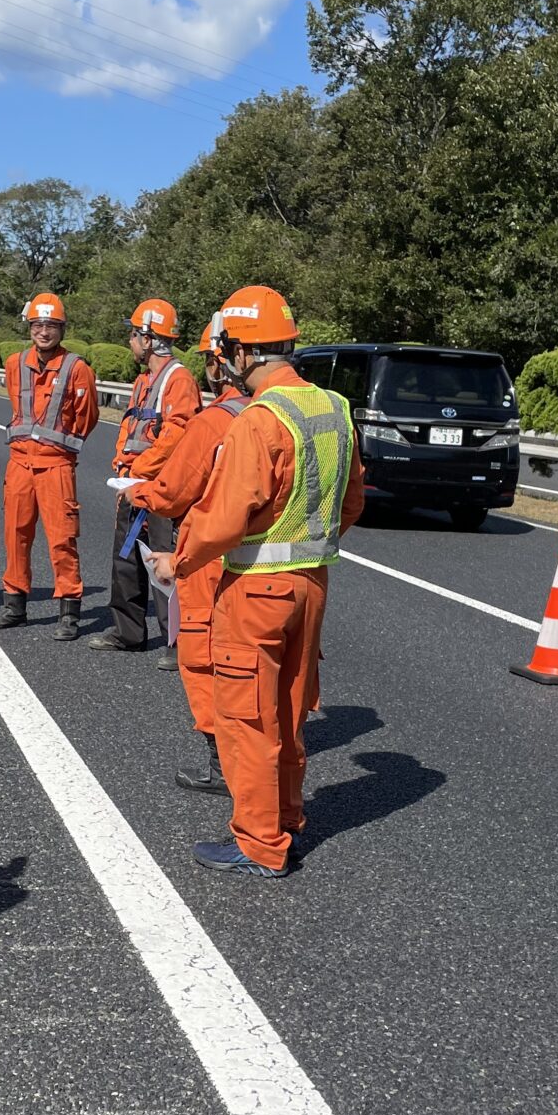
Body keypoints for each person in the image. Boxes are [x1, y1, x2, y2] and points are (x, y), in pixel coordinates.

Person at [170, 286, 365, 877]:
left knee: (248, 720)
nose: (224, 358)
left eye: (227, 347)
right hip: (311, 584)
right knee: (287, 713)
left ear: (243, 351)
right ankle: (284, 821)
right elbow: (351, 502)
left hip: (255, 590)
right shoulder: (333, 407)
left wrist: (178, 557)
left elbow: (225, 516)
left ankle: (258, 843)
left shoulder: (260, 420)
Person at [125, 317, 249, 792]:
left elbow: (173, 492)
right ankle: (261, 771)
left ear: (225, 360)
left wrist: (139, 491)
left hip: (210, 559)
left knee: (203, 661)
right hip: (279, 567)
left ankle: (224, 765)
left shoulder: (217, 421)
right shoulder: (295, 414)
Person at [0, 293, 99, 640]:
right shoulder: (15, 364)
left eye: (50, 325)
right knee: (15, 534)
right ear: (30, 327)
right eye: (37, 325)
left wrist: (59, 448)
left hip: (56, 466)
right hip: (19, 464)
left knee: (62, 539)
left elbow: (87, 418)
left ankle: (69, 610)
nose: (43, 331)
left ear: (61, 329)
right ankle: (14, 605)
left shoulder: (77, 368)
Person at [92, 298, 200, 661]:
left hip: (159, 488)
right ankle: (128, 632)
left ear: (150, 339)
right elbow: (133, 428)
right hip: (133, 483)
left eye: (134, 335)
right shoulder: (143, 381)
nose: (130, 342)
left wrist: (141, 468)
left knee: (161, 563)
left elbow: (178, 433)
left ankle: (174, 642)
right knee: (125, 559)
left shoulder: (178, 378)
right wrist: (122, 464)